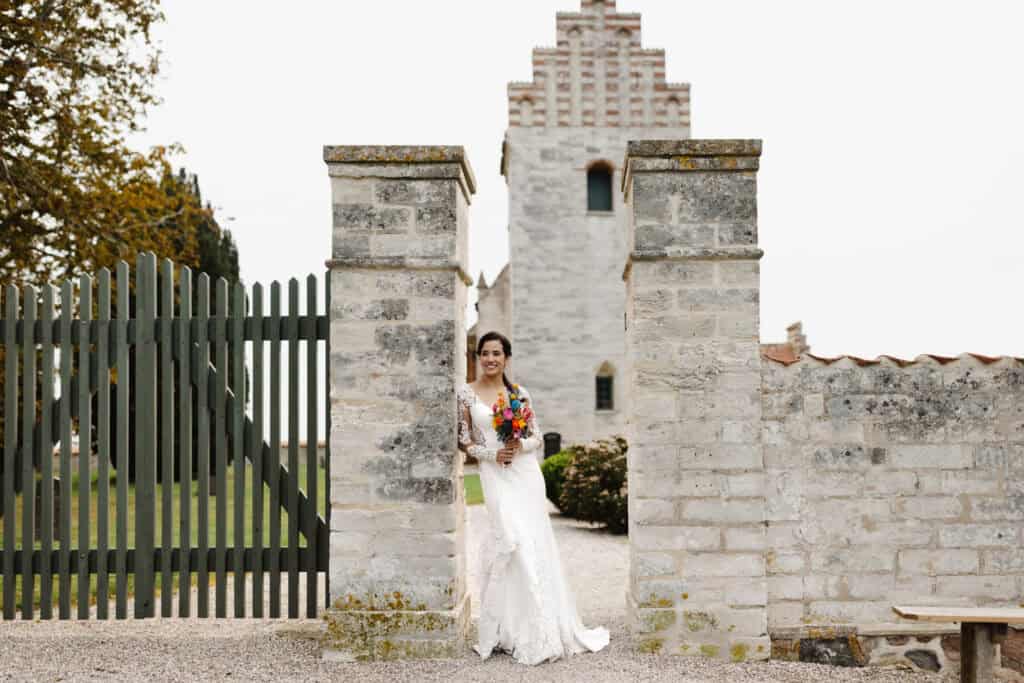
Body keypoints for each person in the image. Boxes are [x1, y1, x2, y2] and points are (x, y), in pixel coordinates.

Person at [457, 331, 610, 665]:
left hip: (525, 475)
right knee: (508, 541)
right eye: (485, 353)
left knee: (531, 544)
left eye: (497, 353)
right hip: (495, 475)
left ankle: (535, 629)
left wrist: (518, 446)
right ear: (478, 357)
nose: (490, 359)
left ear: (506, 357)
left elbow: (536, 437)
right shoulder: (466, 393)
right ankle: (505, 630)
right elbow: (463, 440)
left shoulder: (518, 393)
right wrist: (490, 454)